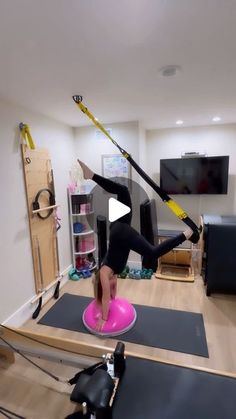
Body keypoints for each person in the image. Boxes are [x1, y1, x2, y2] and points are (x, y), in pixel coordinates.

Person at [78, 160, 195, 331]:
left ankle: (186, 234)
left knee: (153, 253)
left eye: (107, 287)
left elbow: (105, 299)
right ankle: (91, 175)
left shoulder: (104, 273)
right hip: (118, 228)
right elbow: (111, 296)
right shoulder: (111, 275)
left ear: (101, 284)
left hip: (119, 233)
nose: (111, 286)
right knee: (123, 190)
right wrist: (111, 297)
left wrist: (104, 318)